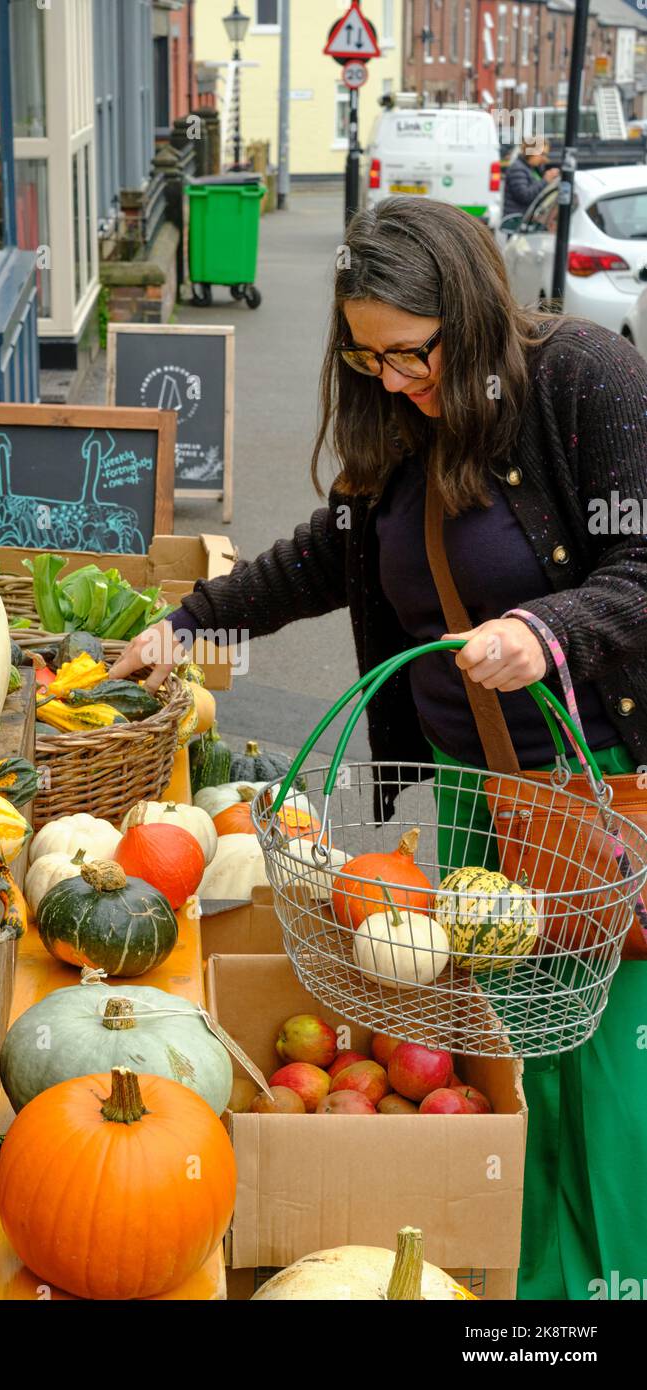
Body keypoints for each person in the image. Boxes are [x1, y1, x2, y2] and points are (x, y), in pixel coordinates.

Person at [110, 196, 647, 1301]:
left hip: (593, 805)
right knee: (498, 1061)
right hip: (472, 806)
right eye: (363, 356)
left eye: (408, 353)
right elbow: (322, 559)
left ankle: (596, 1294)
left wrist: (543, 631)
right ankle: (508, 1281)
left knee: (593, 1069)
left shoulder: (582, 377)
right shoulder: (397, 421)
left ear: (468, 311)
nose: (390, 379)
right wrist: (188, 625)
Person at [502, 137, 558, 219]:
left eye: (545, 155)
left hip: (524, 218)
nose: (544, 158)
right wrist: (545, 180)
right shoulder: (518, 168)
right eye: (542, 154)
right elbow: (524, 196)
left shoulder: (532, 167)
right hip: (516, 219)